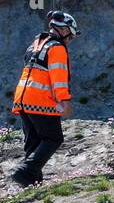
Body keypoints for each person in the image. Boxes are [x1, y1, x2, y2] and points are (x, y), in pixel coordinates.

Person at [9, 10, 78, 186]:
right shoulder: (57, 48)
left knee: (33, 141)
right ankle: (25, 171)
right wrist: (65, 100)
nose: (70, 41)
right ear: (63, 31)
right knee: (54, 138)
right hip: (40, 100)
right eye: (71, 36)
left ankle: (32, 183)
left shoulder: (35, 44)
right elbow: (59, 78)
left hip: (22, 98)